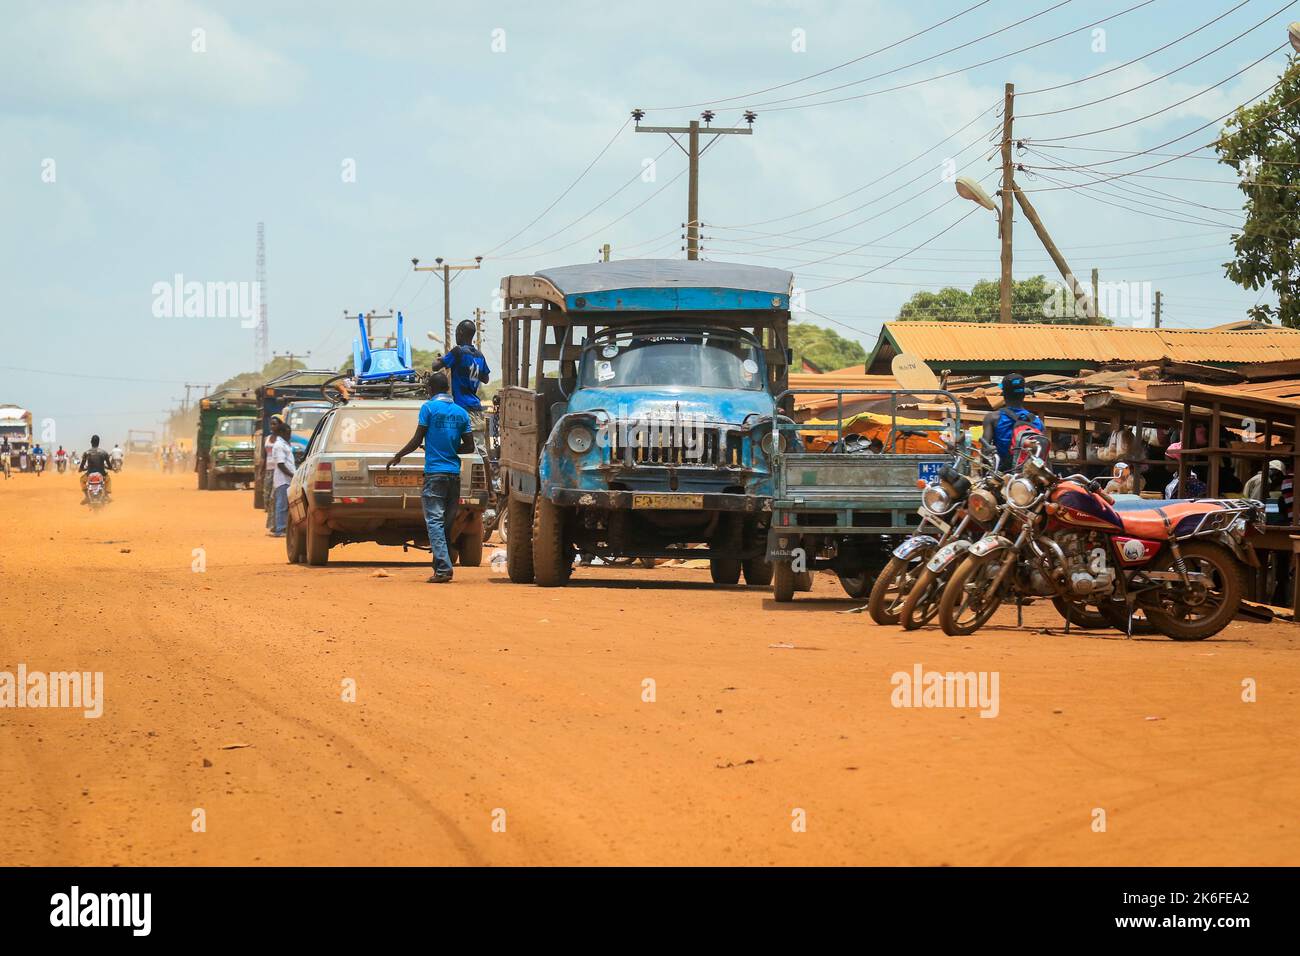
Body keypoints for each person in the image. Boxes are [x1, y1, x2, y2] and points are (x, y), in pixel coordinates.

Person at [387, 371, 472, 583]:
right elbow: (469, 445)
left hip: (435, 473)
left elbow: (417, 439)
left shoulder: (428, 408)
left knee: (434, 522)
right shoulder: (461, 413)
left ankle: (443, 568)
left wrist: (398, 455)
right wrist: (450, 450)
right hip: (453, 474)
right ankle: (440, 565)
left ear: (430, 389)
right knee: (446, 524)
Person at [432, 319, 490, 449]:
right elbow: (485, 378)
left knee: (460, 447)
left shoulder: (458, 351)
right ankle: (488, 469)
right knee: (480, 449)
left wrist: (440, 359)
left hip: (461, 408)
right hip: (476, 408)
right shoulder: (480, 355)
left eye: (457, 332)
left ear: (460, 333)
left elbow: (435, 367)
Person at [981, 373, 1042, 471]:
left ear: (1004, 394)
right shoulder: (1037, 421)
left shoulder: (993, 418)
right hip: (1028, 477)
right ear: (1023, 395)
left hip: (1004, 475)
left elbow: (985, 451)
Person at [267, 419, 296, 537]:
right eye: (288, 433)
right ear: (282, 433)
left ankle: (282, 527)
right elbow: (281, 464)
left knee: (285, 504)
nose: (289, 435)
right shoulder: (279, 445)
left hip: (287, 479)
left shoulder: (284, 444)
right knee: (282, 505)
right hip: (283, 480)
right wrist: (293, 475)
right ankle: (280, 529)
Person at [263, 416, 284, 531]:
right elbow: (264, 455)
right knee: (267, 498)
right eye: (271, 424)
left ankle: (275, 525)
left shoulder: (281, 440)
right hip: (268, 471)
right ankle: (272, 523)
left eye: (274, 424)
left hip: (277, 471)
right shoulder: (267, 438)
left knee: (274, 498)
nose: (272, 426)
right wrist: (262, 472)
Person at [79, 435, 114, 502]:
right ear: (98, 442)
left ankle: (86, 496)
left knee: (82, 480)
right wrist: (106, 467)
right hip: (102, 474)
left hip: (89, 474)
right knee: (108, 480)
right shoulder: (104, 453)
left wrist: (81, 469)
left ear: (91, 442)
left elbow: (81, 466)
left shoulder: (86, 453)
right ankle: (106, 495)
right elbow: (110, 467)